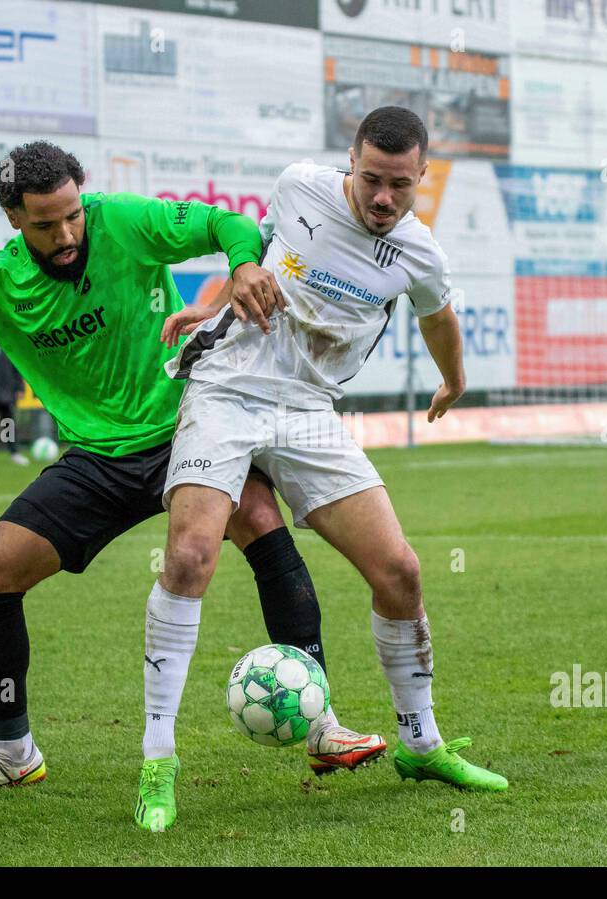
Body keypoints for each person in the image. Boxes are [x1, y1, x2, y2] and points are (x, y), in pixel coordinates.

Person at [0, 141, 383, 799]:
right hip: (98, 460)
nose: (65, 234)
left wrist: (245, 265)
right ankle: (13, 754)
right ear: (14, 222)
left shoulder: (123, 221)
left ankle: (322, 727)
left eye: (72, 216)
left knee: (259, 520)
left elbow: (223, 223)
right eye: (45, 225)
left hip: (188, 428)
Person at [137, 106, 510, 833]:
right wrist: (212, 306)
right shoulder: (299, 186)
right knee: (188, 555)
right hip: (228, 390)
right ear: (351, 161)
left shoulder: (419, 253)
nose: (382, 198)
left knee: (399, 571)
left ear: (421, 178)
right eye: (371, 179)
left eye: (399, 186)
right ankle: (158, 761)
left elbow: (438, 315)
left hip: (308, 411)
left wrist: (454, 377)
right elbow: (262, 256)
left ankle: (420, 744)